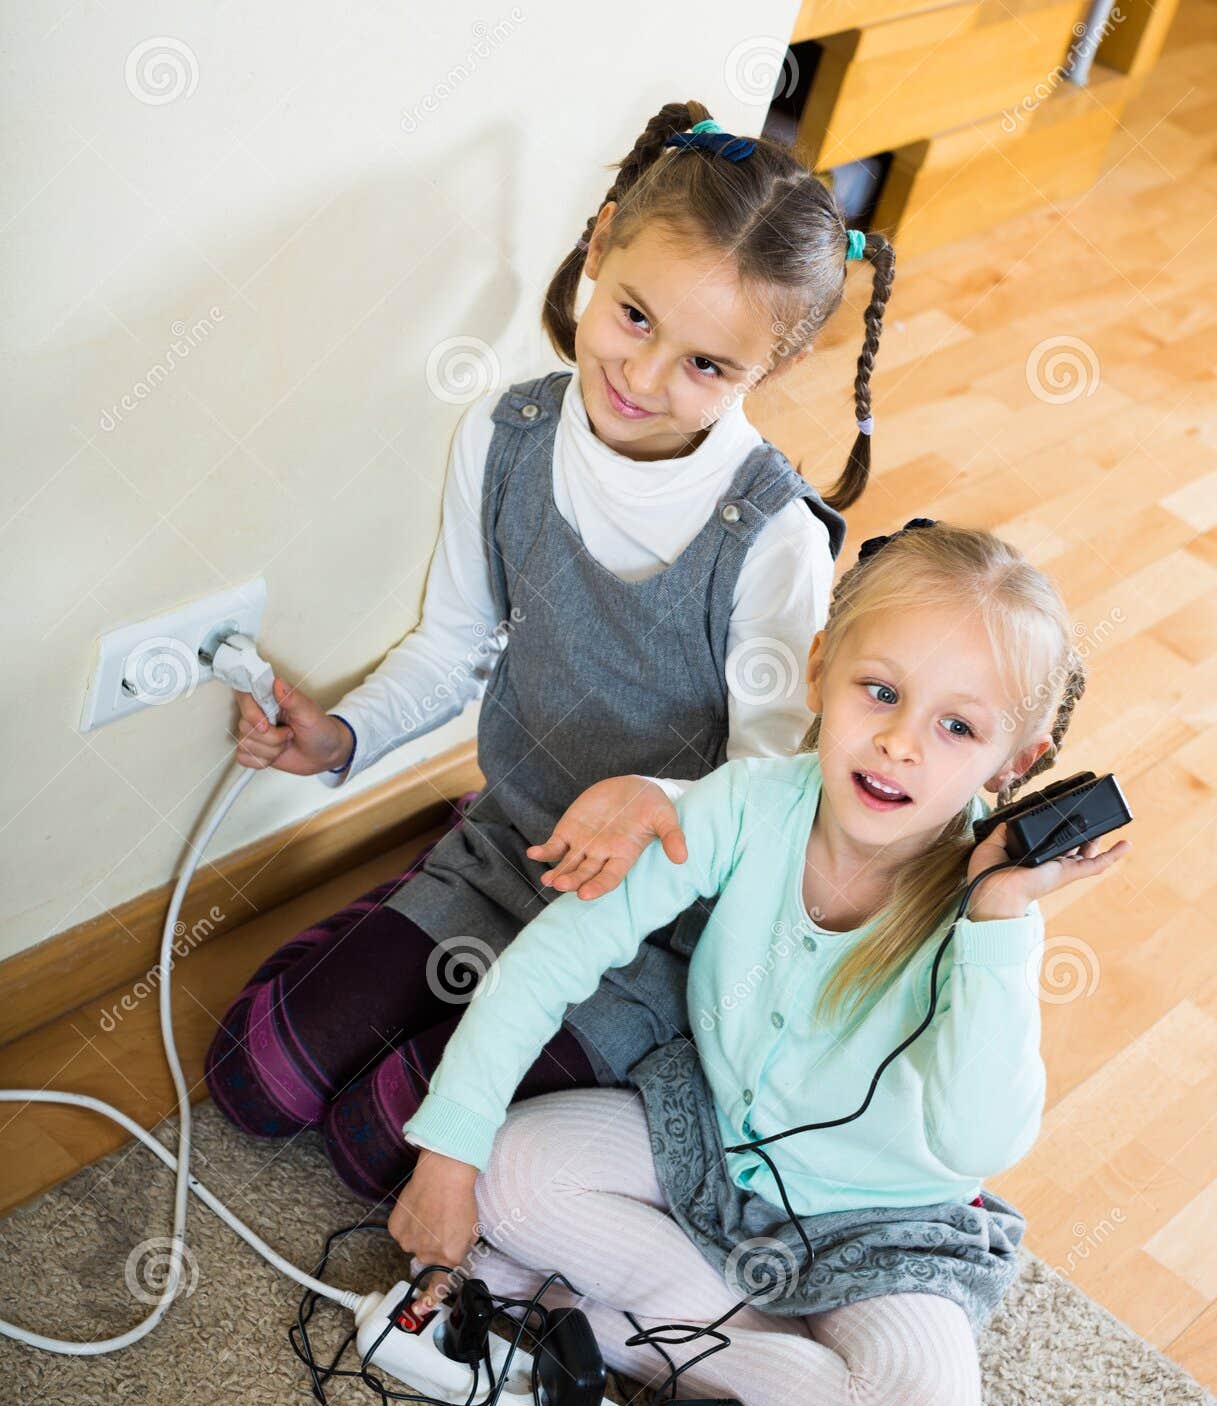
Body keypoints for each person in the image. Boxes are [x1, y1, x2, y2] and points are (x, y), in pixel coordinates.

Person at [206, 103, 898, 1206]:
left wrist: (656, 799)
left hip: (654, 922)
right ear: (603, 234)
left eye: (707, 364)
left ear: (773, 365)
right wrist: (341, 737)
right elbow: (451, 646)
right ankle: (428, 916)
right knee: (254, 1078)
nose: (643, 374)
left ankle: (627, 1052)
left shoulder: (770, 535)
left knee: (375, 1144)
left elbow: (775, 792)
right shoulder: (507, 435)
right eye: (631, 315)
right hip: (512, 852)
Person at [389, 518, 1131, 1406]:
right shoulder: (747, 805)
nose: (901, 742)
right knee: (512, 1176)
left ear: (1015, 760)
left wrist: (998, 917)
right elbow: (553, 959)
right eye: (880, 690)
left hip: (885, 1223)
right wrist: (450, 1150)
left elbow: (974, 1139)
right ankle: (766, 1368)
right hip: (712, 1142)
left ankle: (607, 1324)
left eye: (958, 727)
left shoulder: (981, 908)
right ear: (822, 668)